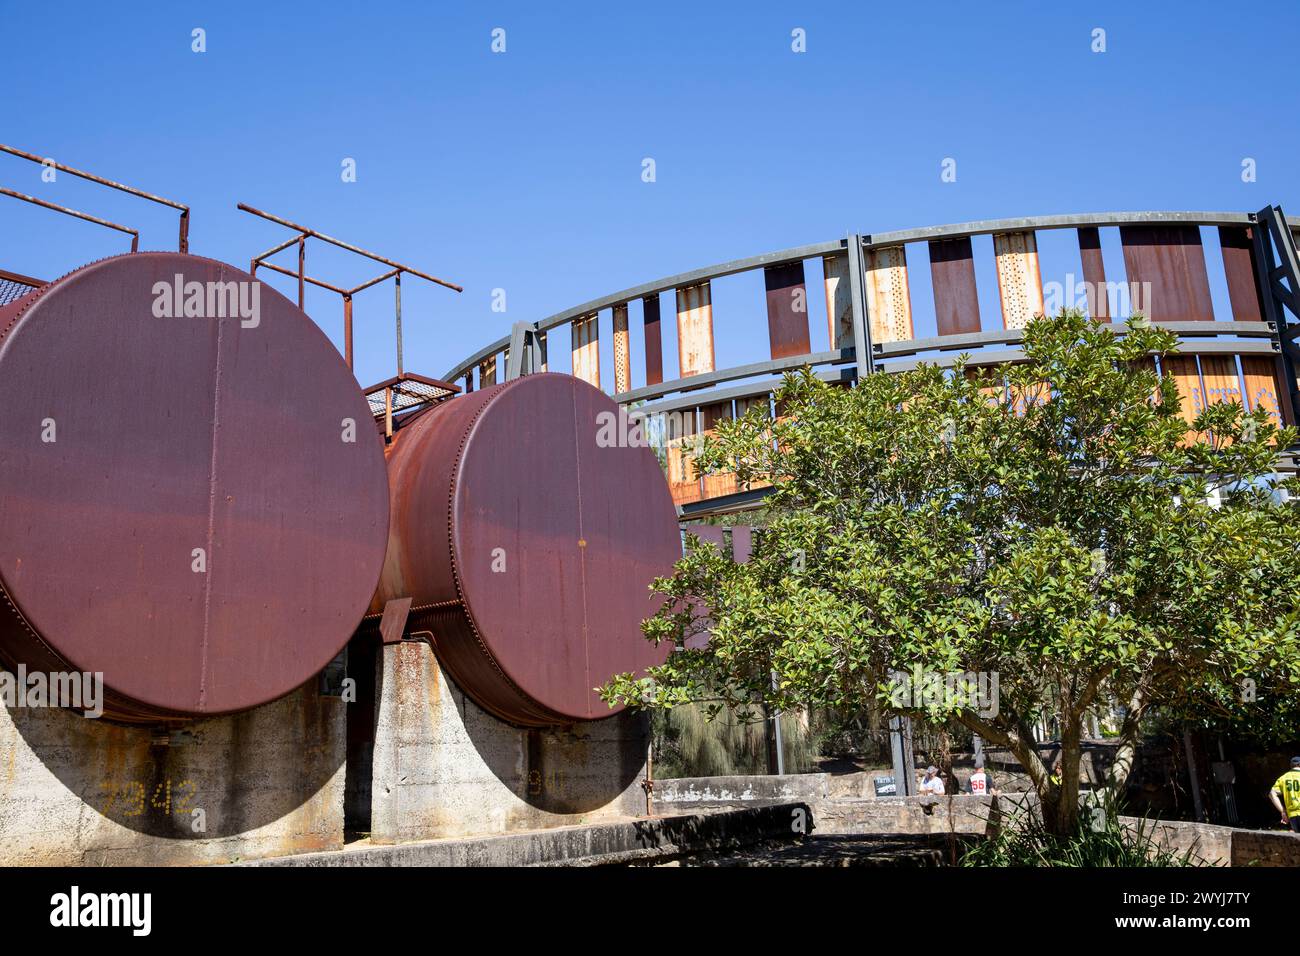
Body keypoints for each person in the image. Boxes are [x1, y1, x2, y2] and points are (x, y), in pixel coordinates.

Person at [1268, 756, 1300, 832]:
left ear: (1291, 765)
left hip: (1293, 816)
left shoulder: (1283, 778)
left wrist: (1283, 811)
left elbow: (1272, 794)